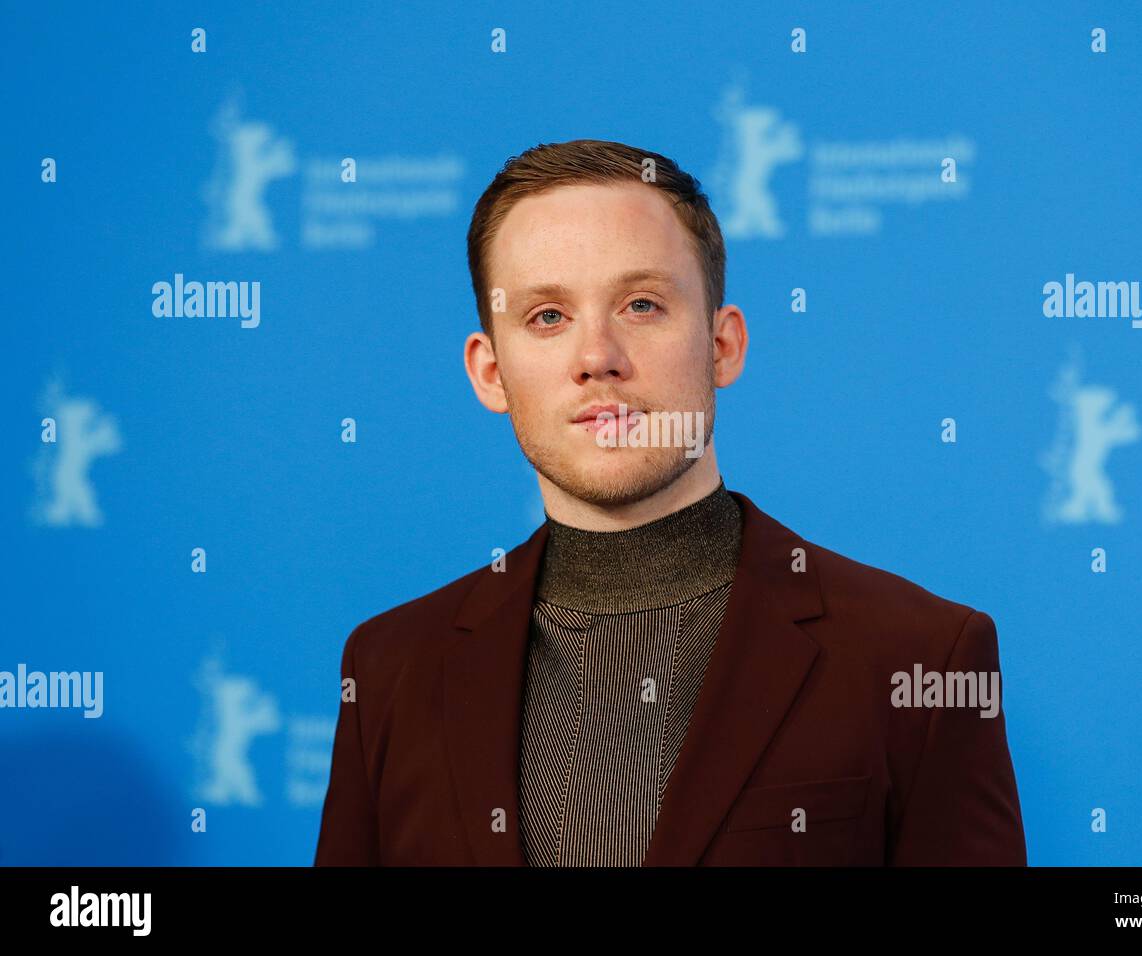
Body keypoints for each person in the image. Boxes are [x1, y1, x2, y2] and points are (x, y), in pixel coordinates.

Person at [314, 139, 1027, 866]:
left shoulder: (920, 658)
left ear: (724, 346)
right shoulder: (389, 672)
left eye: (642, 304)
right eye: (548, 316)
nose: (598, 355)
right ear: (490, 372)